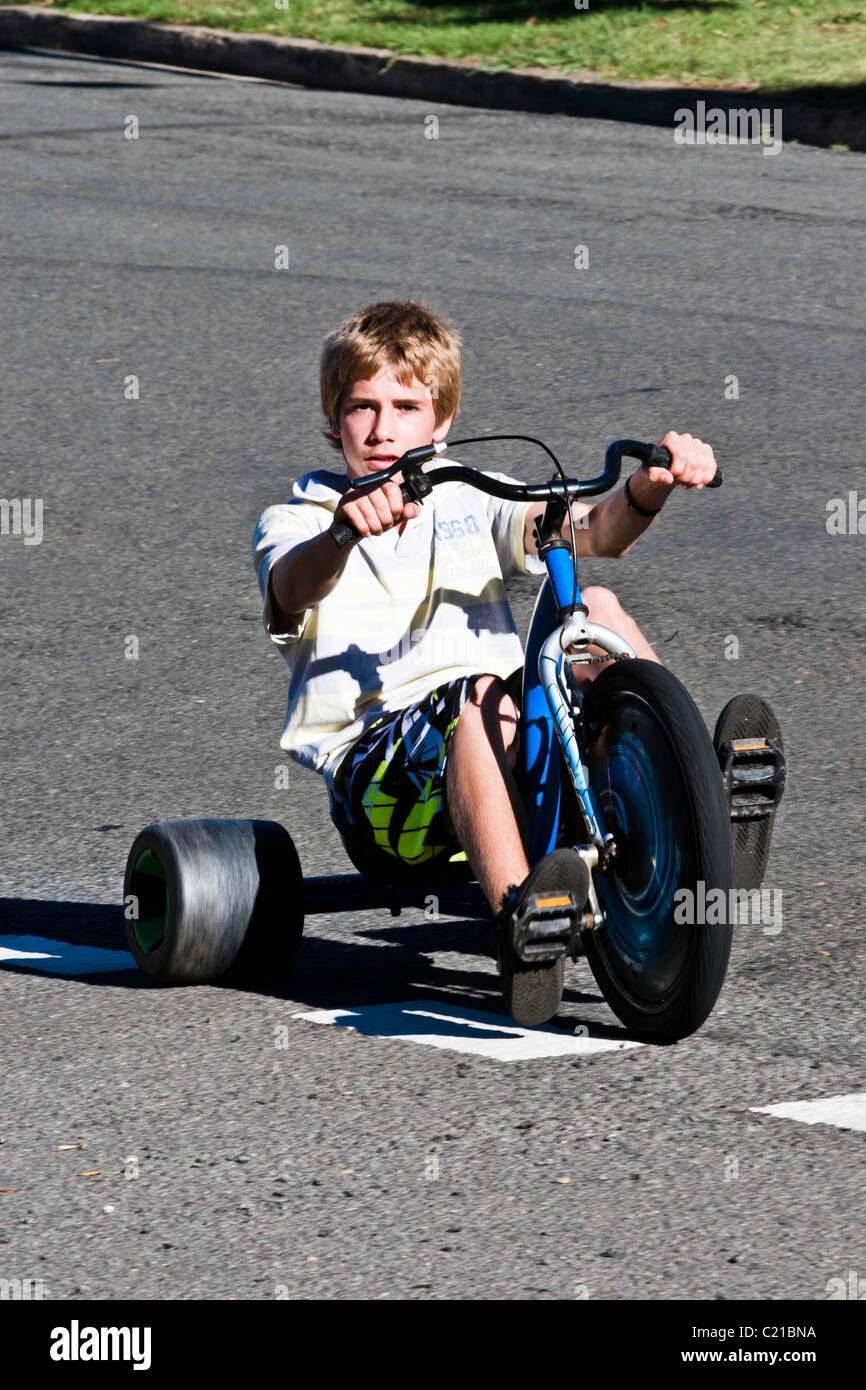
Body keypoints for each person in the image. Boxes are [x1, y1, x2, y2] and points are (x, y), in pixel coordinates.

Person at [253, 299, 785, 1025]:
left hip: (508, 749)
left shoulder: (468, 494)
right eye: (361, 407)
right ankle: (518, 926)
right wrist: (345, 534)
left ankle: (691, 792)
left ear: (439, 420)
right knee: (477, 695)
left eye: (405, 406)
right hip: (384, 795)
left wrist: (648, 489)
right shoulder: (303, 519)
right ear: (333, 415)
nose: (382, 430)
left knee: (594, 602)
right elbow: (291, 588)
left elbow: (593, 529)